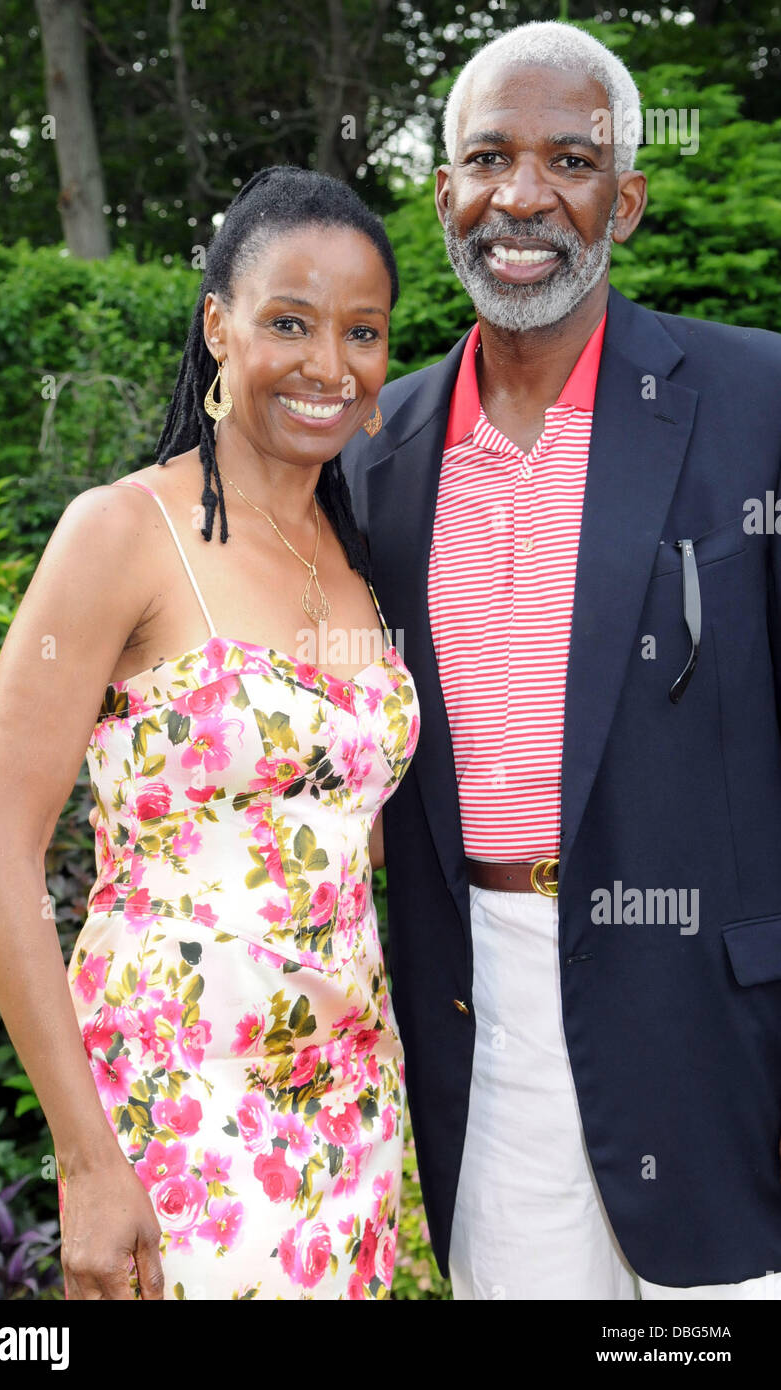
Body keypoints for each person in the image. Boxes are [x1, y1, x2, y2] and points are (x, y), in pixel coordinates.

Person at [342, 21, 781, 1300]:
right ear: (441, 196)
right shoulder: (375, 455)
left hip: (720, 1033)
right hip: (483, 1032)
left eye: (569, 160)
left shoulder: (756, 405)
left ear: (624, 202)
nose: (521, 195)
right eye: (486, 156)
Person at [0, 166, 419, 1301]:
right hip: (177, 1123)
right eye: (289, 323)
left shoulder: (362, 553)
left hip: (351, 1111)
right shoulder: (119, 531)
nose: (330, 365)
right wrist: (85, 1162)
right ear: (217, 325)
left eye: (361, 332)